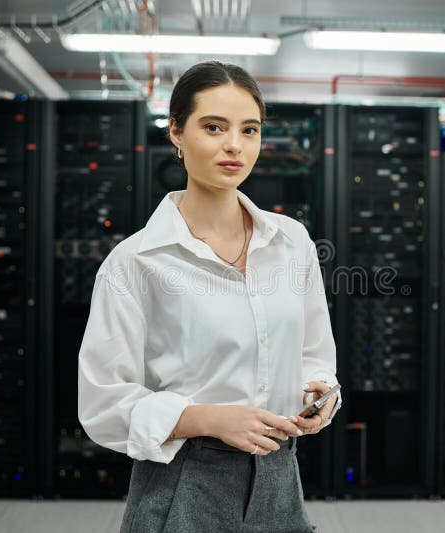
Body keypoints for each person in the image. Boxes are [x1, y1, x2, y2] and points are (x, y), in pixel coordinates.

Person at [78, 60, 341, 532]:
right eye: (214, 127)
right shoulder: (136, 261)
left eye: (250, 129)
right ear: (177, 132)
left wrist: (322, 392)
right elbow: (102, 403)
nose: (234, 146)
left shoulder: (292, 241)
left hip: (280, 477)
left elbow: (314, 353)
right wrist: (206, 419)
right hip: (184, 479)